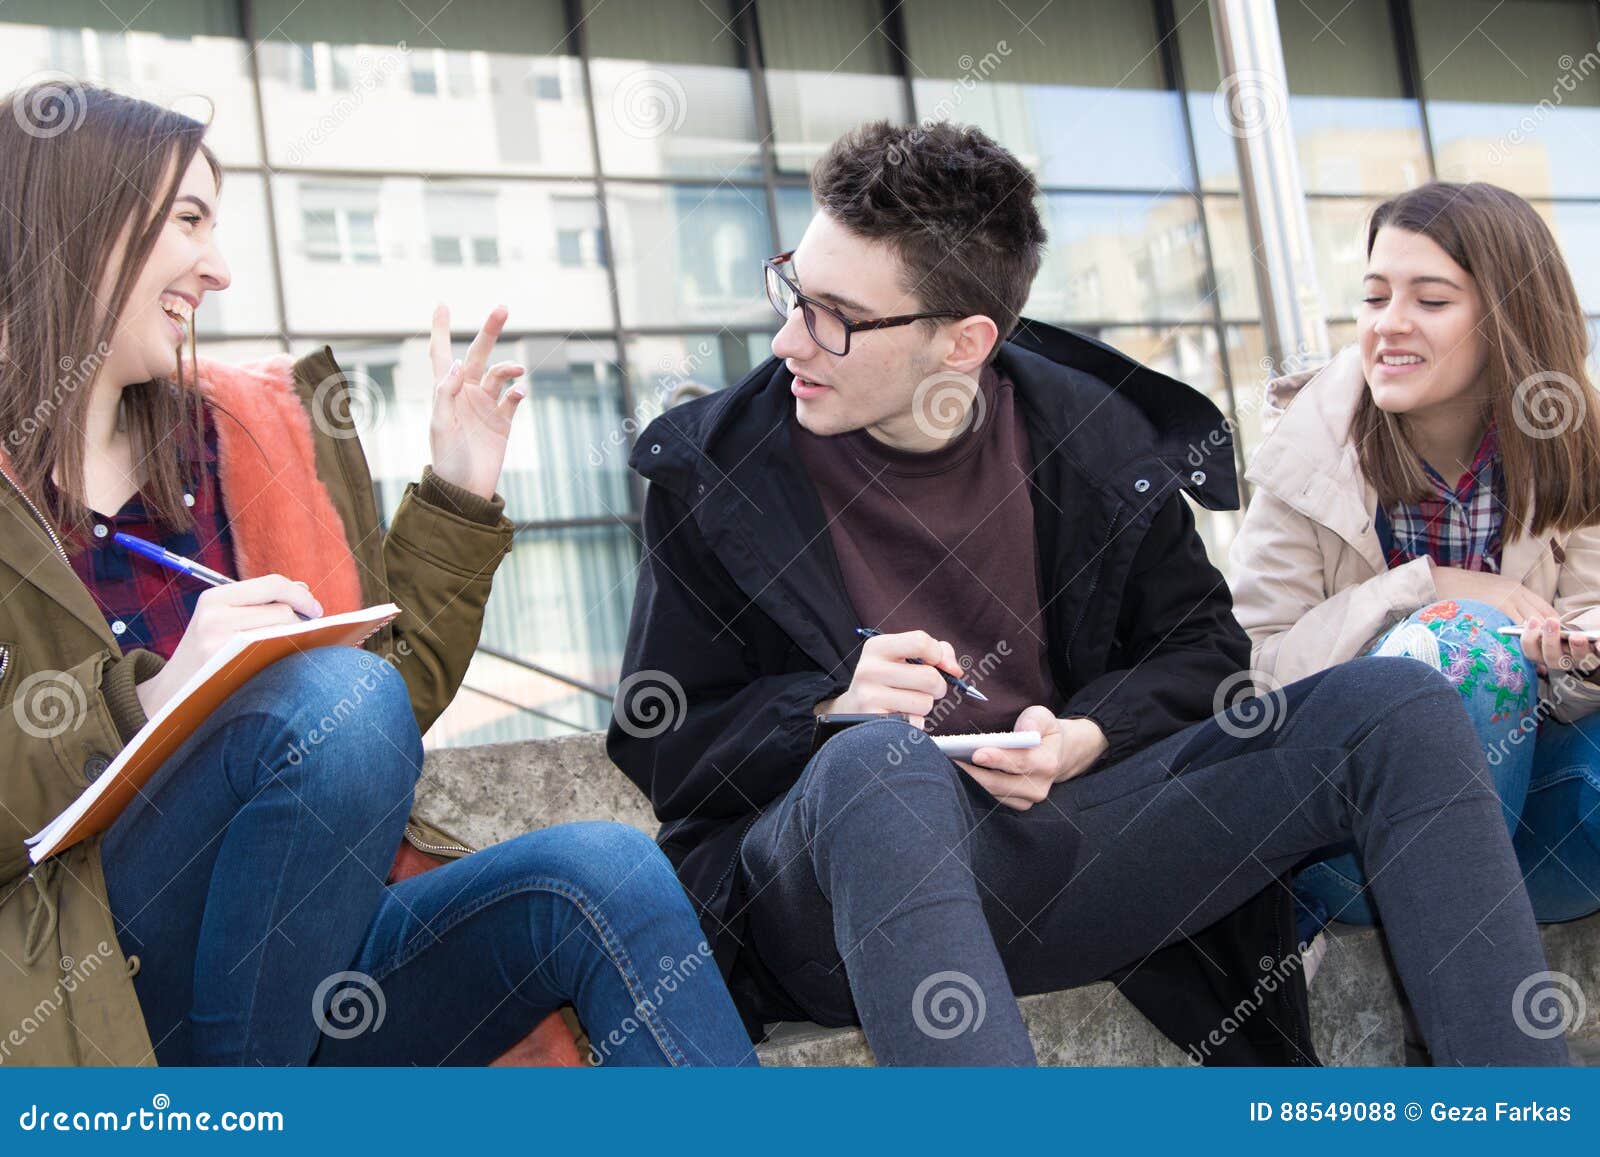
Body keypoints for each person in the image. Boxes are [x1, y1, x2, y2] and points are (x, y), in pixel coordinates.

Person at [607, 122, 1570, 1066]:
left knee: (1395, 704)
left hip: (1068, 846)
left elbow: (1205, 657)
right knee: (879, 766)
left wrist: (1086, 737)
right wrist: (827, 707)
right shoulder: (719, 469)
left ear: (963, 340)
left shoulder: (1098, 439)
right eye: (794, 291)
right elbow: (660, 738)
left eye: (835, 316)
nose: (788, 340)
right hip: (832, 891)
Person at [0, 82, 754, 1067]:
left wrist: (455, 494)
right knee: (327, 701)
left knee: (601, 870)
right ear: (78, 212)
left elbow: (365, 715)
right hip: (67, 978)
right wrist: (152, 700)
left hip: (290, 963)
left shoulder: (231, 444)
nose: (219, 268)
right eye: (188, 218)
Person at [1229, 181, 1600, 948]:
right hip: (1351, 842)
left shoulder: (1576, 442)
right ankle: (1465, 1002)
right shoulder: (1310, 453)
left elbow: (1580, 640)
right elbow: (1254, 679)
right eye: (1373, 298)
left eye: (1430, 301)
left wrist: (1573, 658)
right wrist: (1427, 591)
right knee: (1463, 643)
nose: (1387, 326)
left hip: (1531, 828)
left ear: (1509, 319)